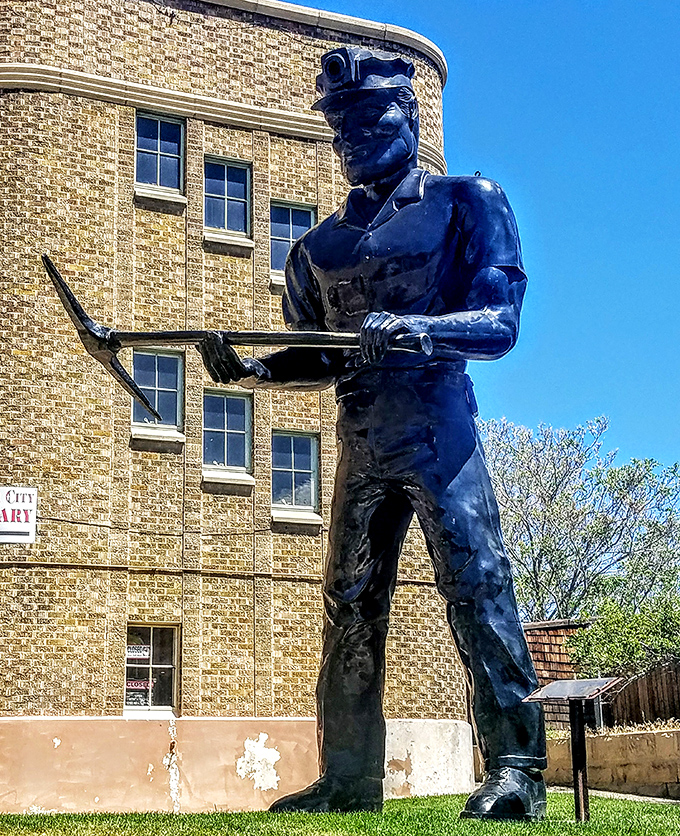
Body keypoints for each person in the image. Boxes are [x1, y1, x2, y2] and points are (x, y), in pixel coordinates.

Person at [199, 46, 547, 821]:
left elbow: (500, 324)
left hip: (439, 430)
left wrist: (420, 330)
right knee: (349, 603)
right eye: (340, 126)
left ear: (408, 116)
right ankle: (348, 777)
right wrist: (252, 372)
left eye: (369, 118)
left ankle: (518, 767)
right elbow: (316, 356)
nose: (353, 137)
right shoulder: (316, 248)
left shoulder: (467, 201)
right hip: (361, 440)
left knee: (477, 583)